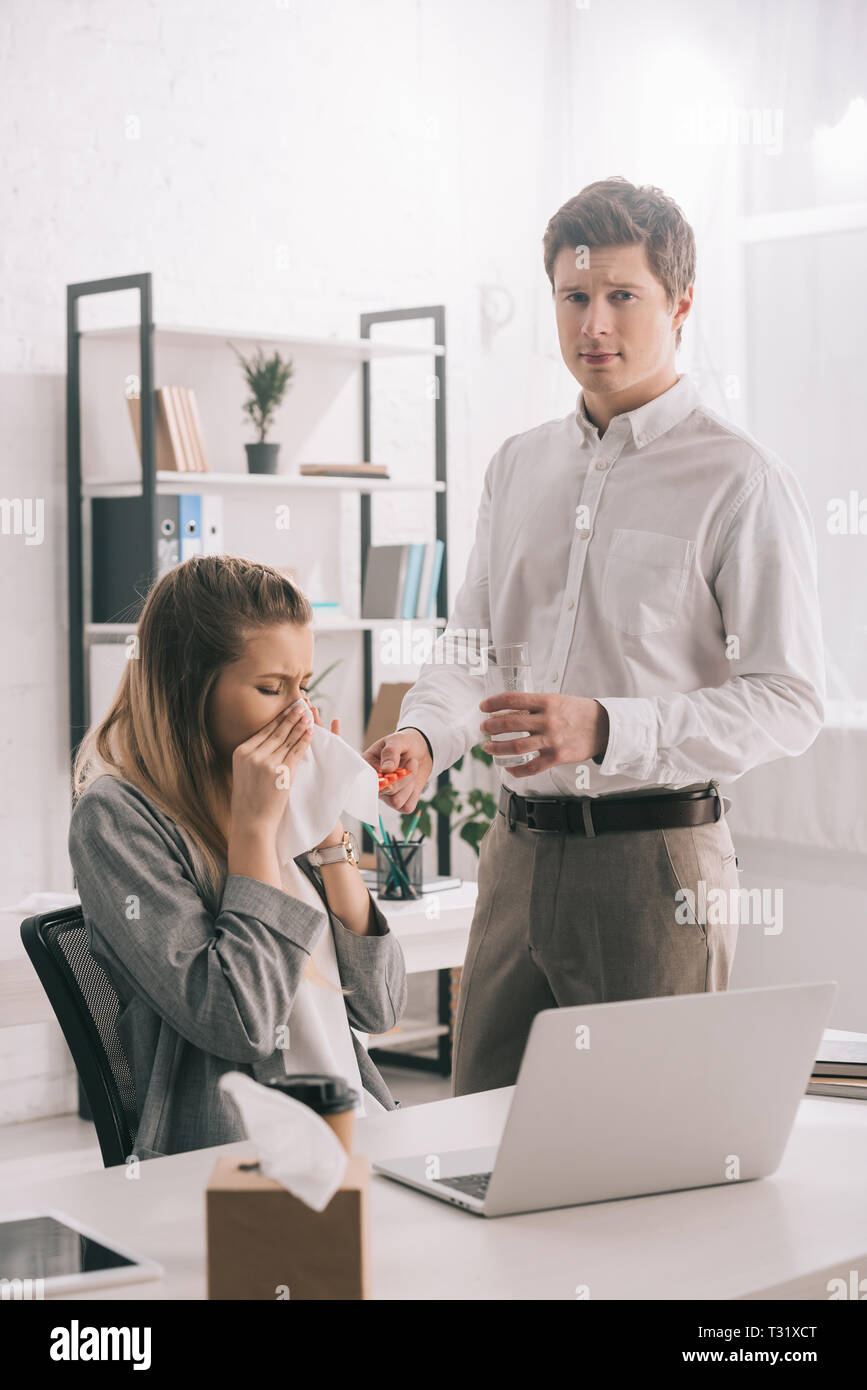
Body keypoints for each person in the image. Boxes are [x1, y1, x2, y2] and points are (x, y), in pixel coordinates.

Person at [363, 176, 825, 1097]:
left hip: (657, 869)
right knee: (479, 1136)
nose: (593, 325)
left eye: (623, 296)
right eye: (574, 298)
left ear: (680, 303)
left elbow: (789, 698)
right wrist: (423, 736)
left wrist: (608, 727)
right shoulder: (516, 466)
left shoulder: (740, 479)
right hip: (514, 857)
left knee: (649, 1154)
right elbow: (469, 652)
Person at [68, 556, 406, 1159]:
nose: (297, 715)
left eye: (304, 688)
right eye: (271, 689)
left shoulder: (284, 794)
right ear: (186, 686)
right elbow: (239, 1023)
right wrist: (255, 829)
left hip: (355, 1135)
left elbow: (380, 1007)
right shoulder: (116, 820)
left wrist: (327, 835)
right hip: (239, 1159)